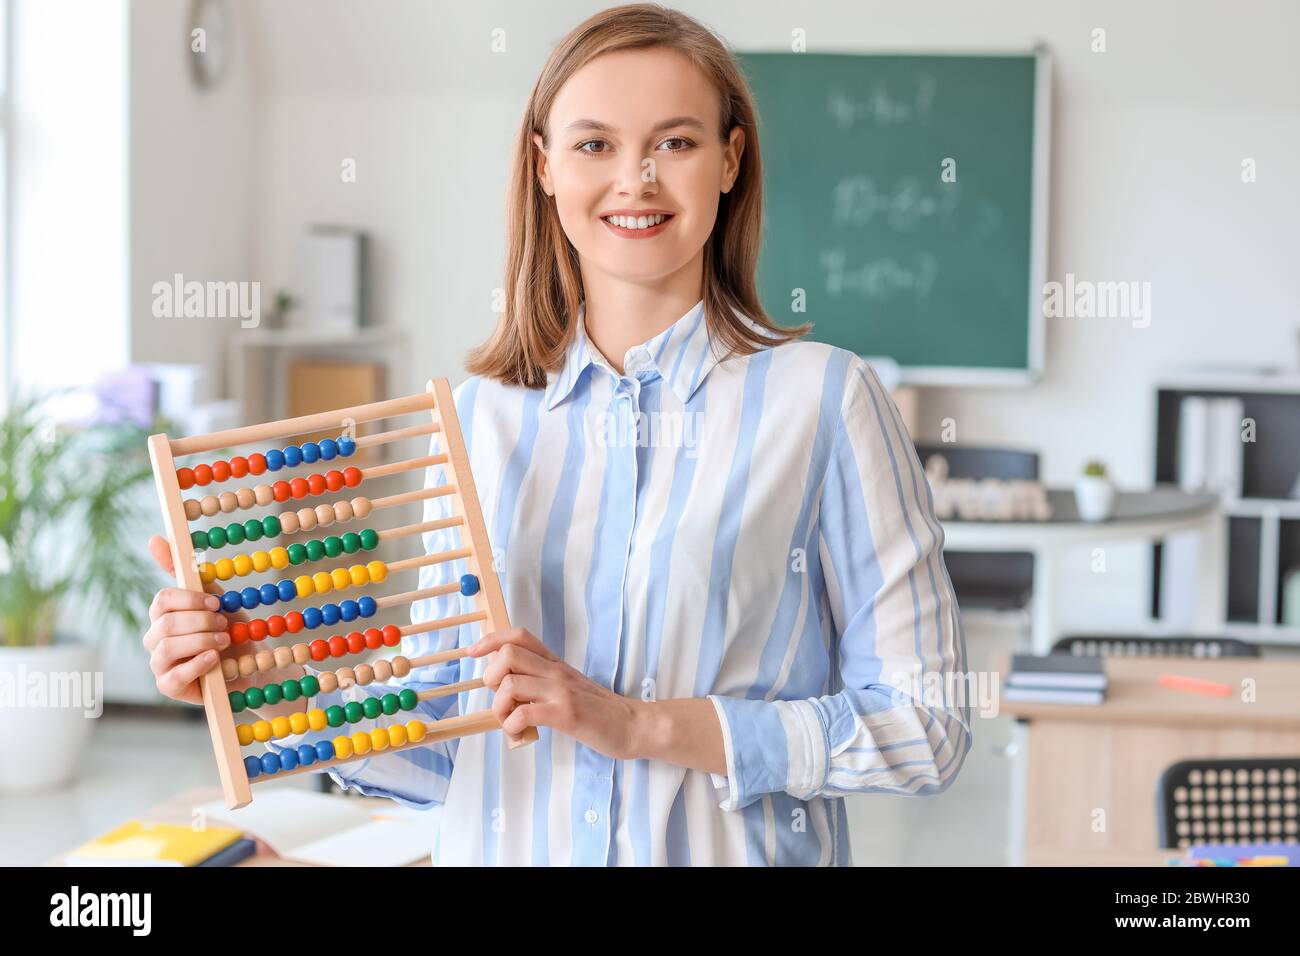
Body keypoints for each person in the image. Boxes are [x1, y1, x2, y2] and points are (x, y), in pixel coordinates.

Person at [143, 3, 970, 866]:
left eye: (676, 143)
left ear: (730, 160)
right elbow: (445, 755)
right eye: (594, 144)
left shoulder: (827, 402)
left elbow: (928, 727)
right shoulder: (476, 418)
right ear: (543, 167)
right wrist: (256, 678)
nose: (636, 179)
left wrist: (640, 724)